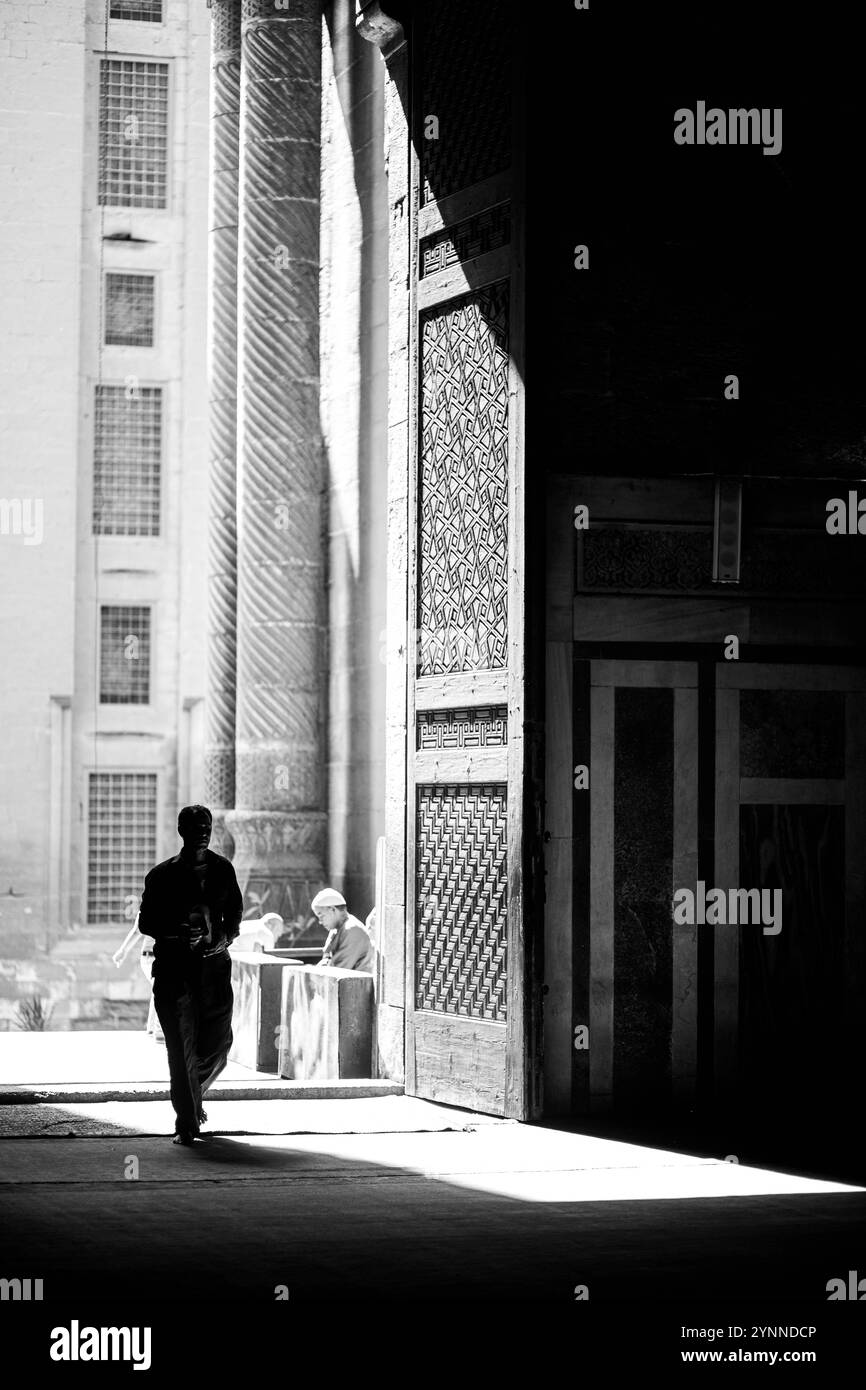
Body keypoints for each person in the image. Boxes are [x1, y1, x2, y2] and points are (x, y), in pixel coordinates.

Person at [137, 804, 243, 1145]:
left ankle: (191, 1094)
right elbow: (146, 923)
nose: (202, 832)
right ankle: (186, 1121)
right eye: (195, 826)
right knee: (179, 1047)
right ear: (181, 831)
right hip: (174, 972)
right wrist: (179, 932)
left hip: (213, 972)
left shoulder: (223, 870)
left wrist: (223, 938)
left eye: (206, 826)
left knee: (218, 1044)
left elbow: (235, 915)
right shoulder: (162, 875)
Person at [111, 912, 164, 1043]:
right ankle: (160, 1030)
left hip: (163, 957)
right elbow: (137, 931)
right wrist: (123, 951)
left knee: (158, 988)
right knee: (161, 986)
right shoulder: (150, 906)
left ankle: (152, 1028)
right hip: (150, 957)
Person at [311, 888, 375, 973]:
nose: (320, 921)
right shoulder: (336, 930)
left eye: (321, 916)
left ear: (332, 910)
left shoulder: (353, 930)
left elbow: (337, 972)